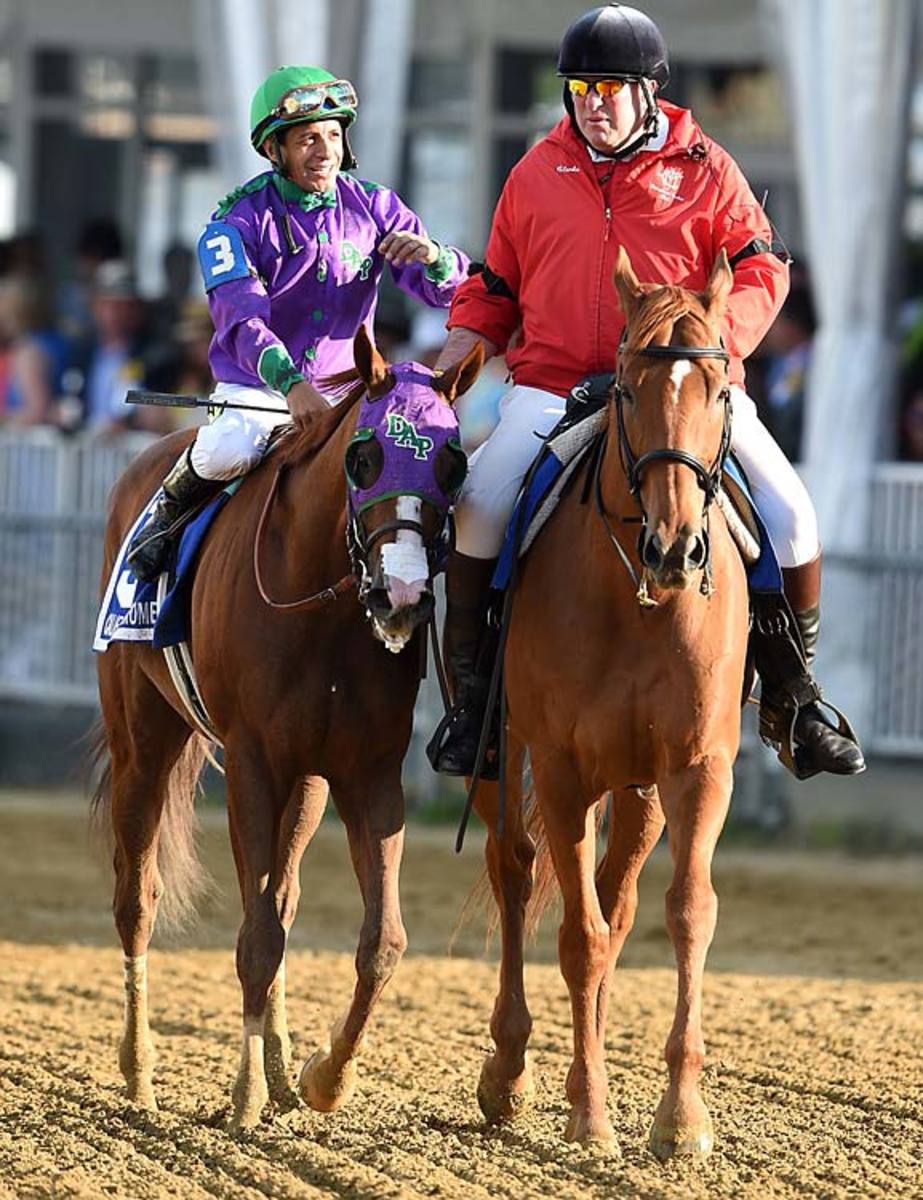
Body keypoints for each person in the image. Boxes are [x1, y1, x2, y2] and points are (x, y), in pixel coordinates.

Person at [430, 3, 864, 779]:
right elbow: (494, 282)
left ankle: (793, 702)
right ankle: (473, 704)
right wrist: (467, 338)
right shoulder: (536, 170)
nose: (591, 102)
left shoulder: (704, 167)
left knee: (792, 516)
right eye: (579, 87)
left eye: (608, 87)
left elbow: (762, 267)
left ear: (647, 91)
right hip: (556, 385)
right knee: (480, 510)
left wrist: (707, 349)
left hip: (683, 388)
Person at [127, 64, 468, 580]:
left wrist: (435, 256)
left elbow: (450, 292)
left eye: (333, 135)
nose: (325, 150)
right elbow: (241, 323)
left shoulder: (376, 206)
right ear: (274, 150)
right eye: (308, 138)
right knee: (230, 446)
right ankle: (166, 515)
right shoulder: (234, 223)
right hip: (262, 391)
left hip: (352, 392)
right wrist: (292, 386)